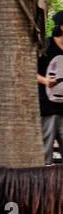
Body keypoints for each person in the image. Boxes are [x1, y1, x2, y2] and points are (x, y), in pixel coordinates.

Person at [38, 10, 63, 161]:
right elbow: (28, 70)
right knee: (45, 149)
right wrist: (46, 81)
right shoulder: (46, 45)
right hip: (47, 106)